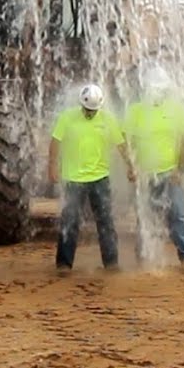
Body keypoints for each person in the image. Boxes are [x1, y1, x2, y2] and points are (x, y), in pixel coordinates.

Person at [49, 83, 137, 274]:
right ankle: (64, 264)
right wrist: (52, 166)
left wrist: (130, 167)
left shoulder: (108, 119)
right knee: (70, 220)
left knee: (105, 220)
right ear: (82, 105)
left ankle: (111, 261)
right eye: (87, 110)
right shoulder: (68, 117)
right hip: (73, 178)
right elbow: (55, 141)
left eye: (93, 110)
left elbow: (121, 145)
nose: (90, 113)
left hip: (100, 178)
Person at [124, 68, 184, 271]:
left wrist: (179, 170)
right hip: (146, 174)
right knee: (145, 215)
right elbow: (128, 142)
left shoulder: (176, 110)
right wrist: (131, 167)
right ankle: (144, 257)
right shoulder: (135, 111)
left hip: (170, 173)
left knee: (178, 214)